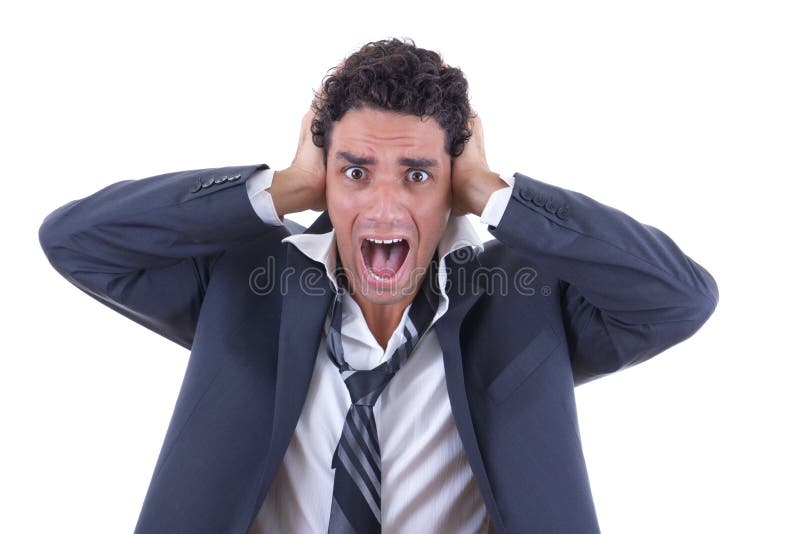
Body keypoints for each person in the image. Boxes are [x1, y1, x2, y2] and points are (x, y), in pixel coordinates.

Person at [38, 38, 719, 534]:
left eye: (418, 175)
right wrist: (282, 187)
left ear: (453, 183)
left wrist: (496, 195)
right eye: (356, 172)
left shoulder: (524, 298)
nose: (386, 209)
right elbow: (77, 242)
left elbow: (678, 298)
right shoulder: (245, 285)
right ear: (324, 175)